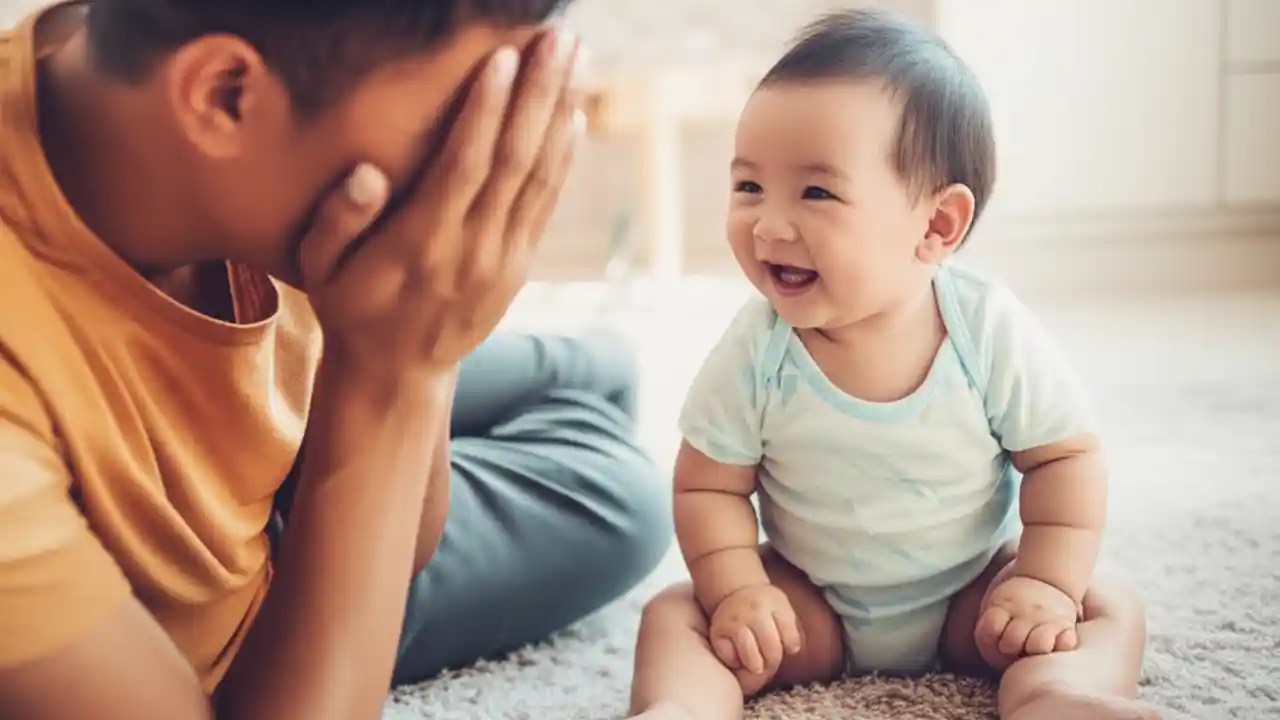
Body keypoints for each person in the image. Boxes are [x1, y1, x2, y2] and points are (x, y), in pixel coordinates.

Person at [0, 1, 671, 718]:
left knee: (592, 376)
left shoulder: (145, 102)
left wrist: (423, 347)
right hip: (266, 601)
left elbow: (415, 542)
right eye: (462, 117)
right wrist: (396, 376)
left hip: (277, 422)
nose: (500, 150)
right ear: (226, 96)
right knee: (622, 496)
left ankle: (583, 368)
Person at [627, 9, 1162, 720]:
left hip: (974, 599)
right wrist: (739, 590)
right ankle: (683, 709)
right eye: (749, 187)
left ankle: (1056, 694)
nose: (768, 224)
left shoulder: (986, 329)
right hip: (810, 608)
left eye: (816, 192)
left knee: (1107, 600)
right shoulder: (756, 349)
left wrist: (1045, 583)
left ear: (936, 225)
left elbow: (1063, 457)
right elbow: (707, 486)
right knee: (675, 613)